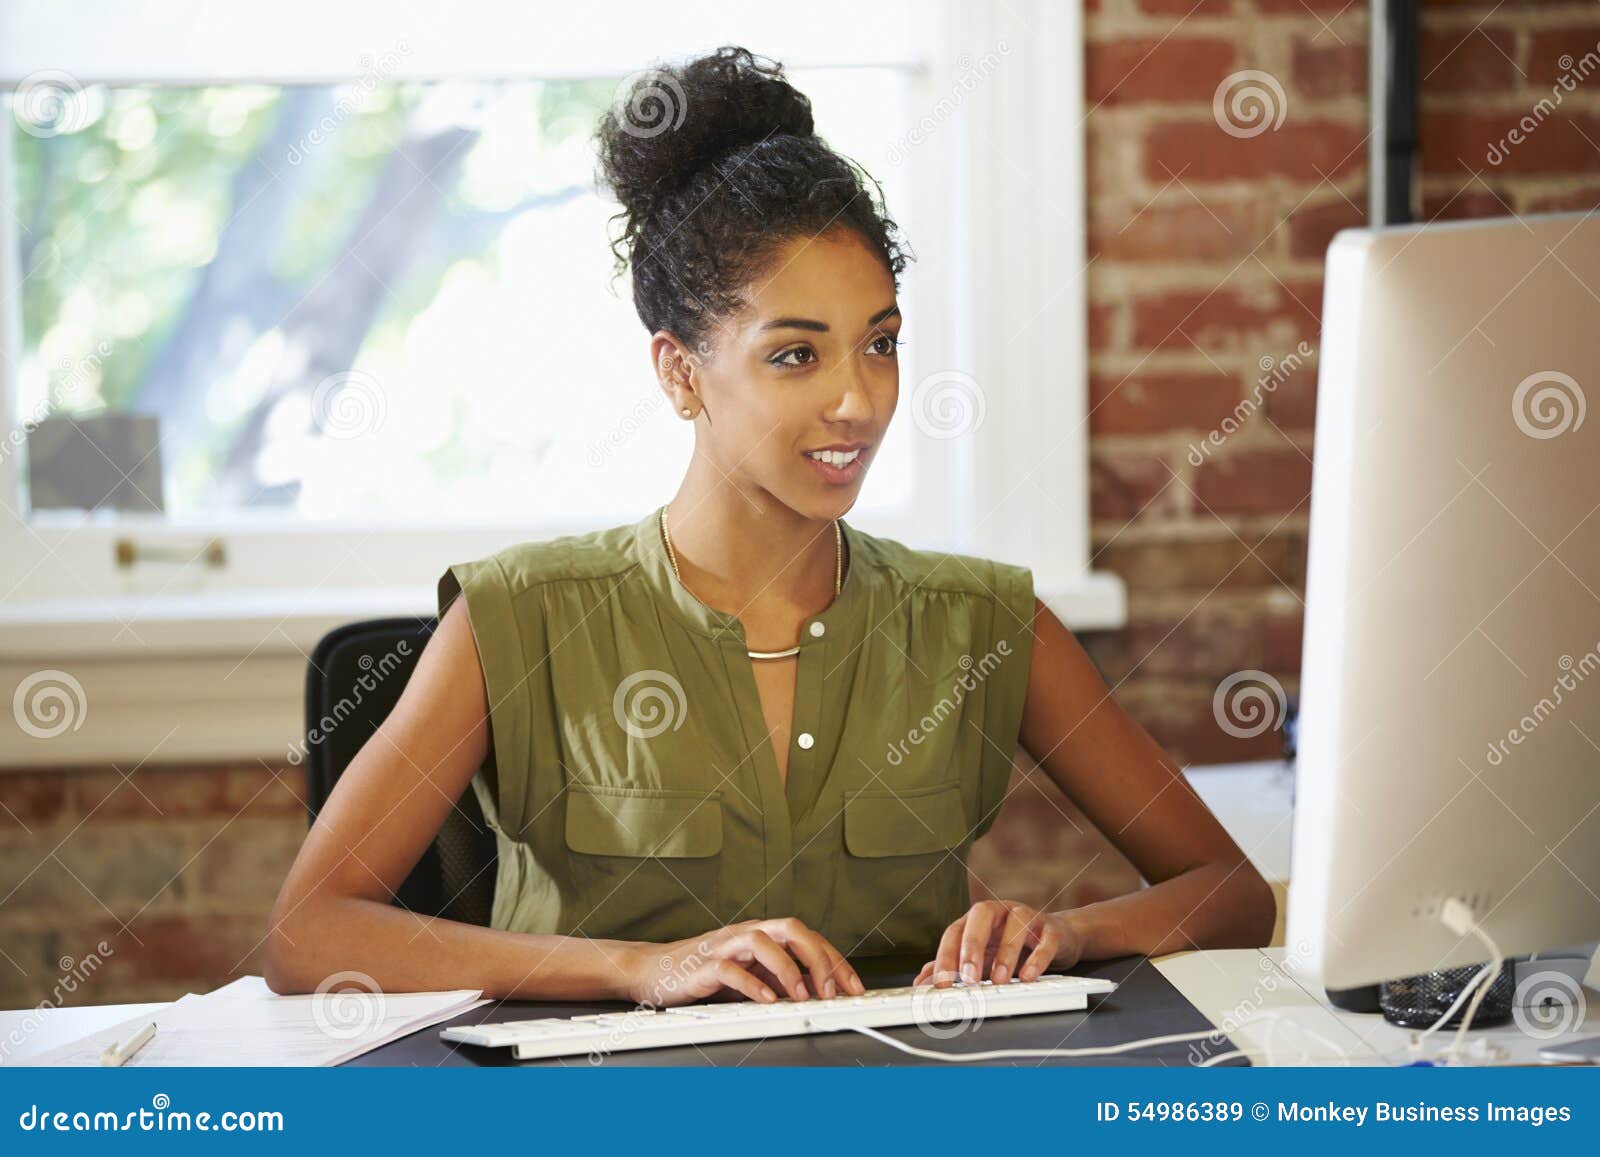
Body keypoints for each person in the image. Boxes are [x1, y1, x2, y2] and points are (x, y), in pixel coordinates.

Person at [265, 46, 1274, 1006]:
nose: (858, 401)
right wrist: (637, 966)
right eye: (796, 355)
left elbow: (1228, 890)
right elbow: (311, 930)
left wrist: (1072, 932)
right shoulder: (518, 618)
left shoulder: (985, 622)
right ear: (679, 372)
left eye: (879, 344)